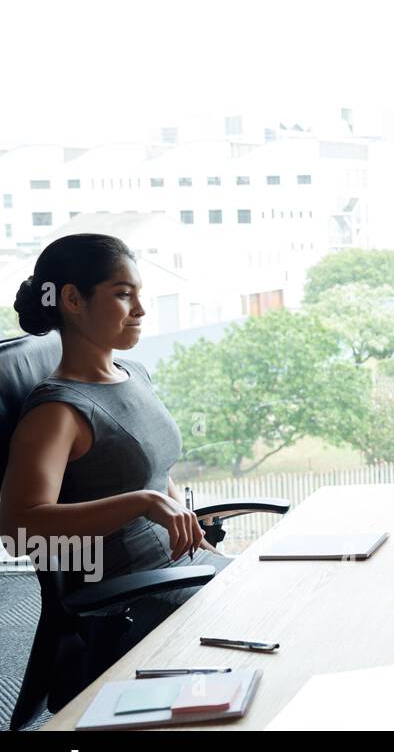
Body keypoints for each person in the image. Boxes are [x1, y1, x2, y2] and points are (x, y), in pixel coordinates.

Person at [1, 234, 227, 644]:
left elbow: (155, 474)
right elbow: (18, 529)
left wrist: (207, 549)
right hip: (136, 596)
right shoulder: (58, 411)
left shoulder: (133, 372)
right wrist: (142, 503)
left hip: (188, 568)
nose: (140, 310)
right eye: (123, 294)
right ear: (72, 300)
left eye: (139, 294)